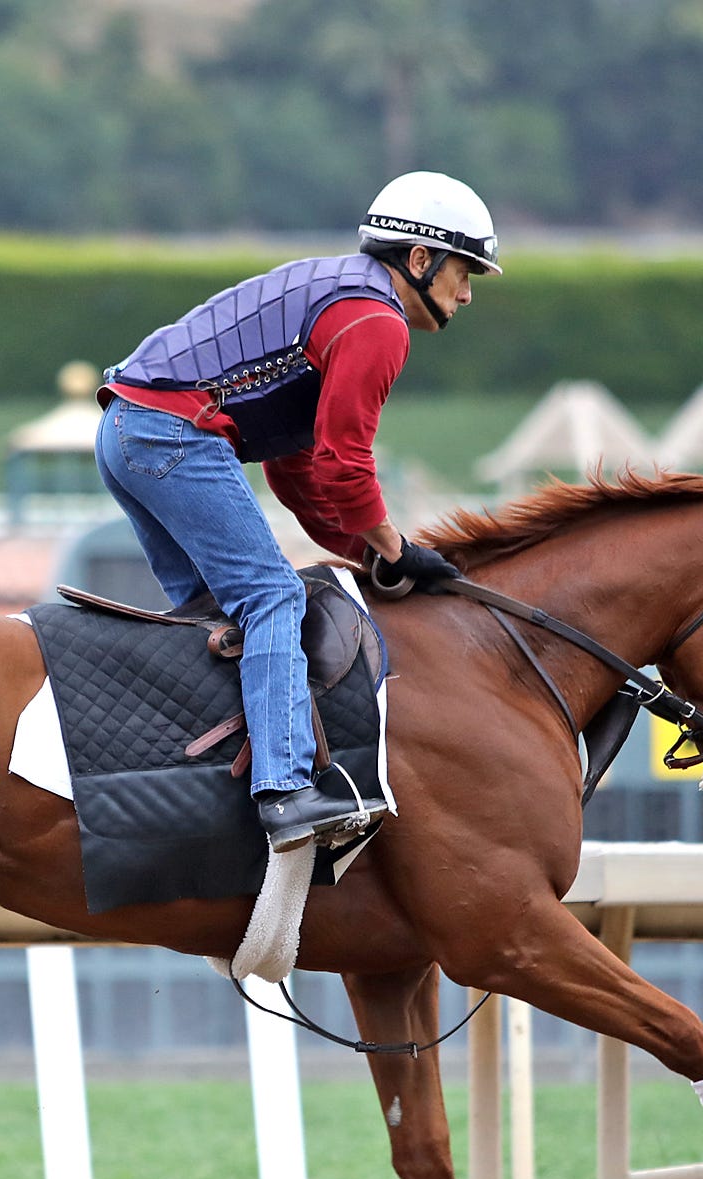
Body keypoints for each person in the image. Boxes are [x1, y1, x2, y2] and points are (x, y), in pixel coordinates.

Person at [96, 171, 502, 853]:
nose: (467, 294)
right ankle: (286, 793)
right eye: (465, 273)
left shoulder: (344, 295)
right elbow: (347, 463)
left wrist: (367, 556)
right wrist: (398, 550)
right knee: (272, 599)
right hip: (168, 432)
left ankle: (194, 775)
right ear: (421, 259)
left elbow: (300, 473)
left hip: (126, 431)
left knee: (210, 614)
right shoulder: (378, 322)